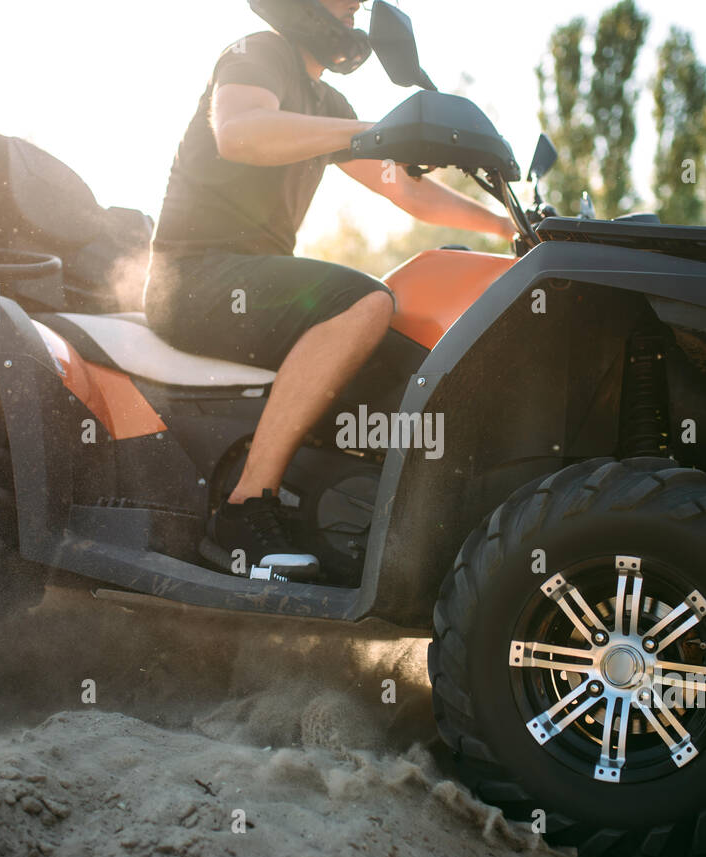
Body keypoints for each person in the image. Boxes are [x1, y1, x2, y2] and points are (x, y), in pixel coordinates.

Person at [143, 0, 512, 579]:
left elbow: (407, 192)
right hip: (192, 278)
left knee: (402, 341)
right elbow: (239, 133)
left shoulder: (327, 104)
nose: (360, 5)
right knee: (363, 302)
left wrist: (508, 227)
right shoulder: (257, 53)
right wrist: (375, 131)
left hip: (247, 282)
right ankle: (242, 509)